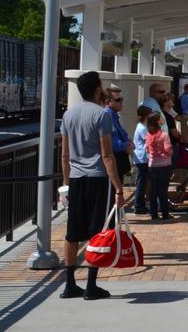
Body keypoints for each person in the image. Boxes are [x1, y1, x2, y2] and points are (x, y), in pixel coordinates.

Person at [59, 71, 125, 300]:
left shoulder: (68, 115)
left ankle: (69, 284)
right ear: (98, 90)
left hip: (76, 179)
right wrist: (118, 186)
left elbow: (65, 155)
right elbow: (107, 155)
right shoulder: (101, 115)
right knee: (98, 231)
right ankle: (91, 285)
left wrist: (66, 183)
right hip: (98, 178)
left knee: (72, 232)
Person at [145, 112, 173, 220]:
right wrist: (170, 152)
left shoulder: (148, 134)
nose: (162, 118)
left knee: (153, 190)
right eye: (160, 118)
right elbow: (168, 150)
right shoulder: (164, 135)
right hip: (164, 164)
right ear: (158, 121)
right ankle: (165, 213)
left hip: (152, 164)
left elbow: (147, 149)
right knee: (163, 190)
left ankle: (154, 213)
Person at [103, 85, 133, 182]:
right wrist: (127, 145)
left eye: (122, 99)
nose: (121, 102)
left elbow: (123, 134)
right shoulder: (107, 116)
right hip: (114, 161)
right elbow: (112, 143)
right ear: (108, 102)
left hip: (118, 161)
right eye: (118, 100)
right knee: (114, 192)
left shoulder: (113, 116)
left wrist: (129, 143)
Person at [131, 105, 153, 215]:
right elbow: (148, 141)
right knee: (141, 182)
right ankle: (139, 205)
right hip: (142, 158)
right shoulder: (142, 128)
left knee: (142, 181)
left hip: (141, 158)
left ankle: (141, 204)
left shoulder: (141, 126)